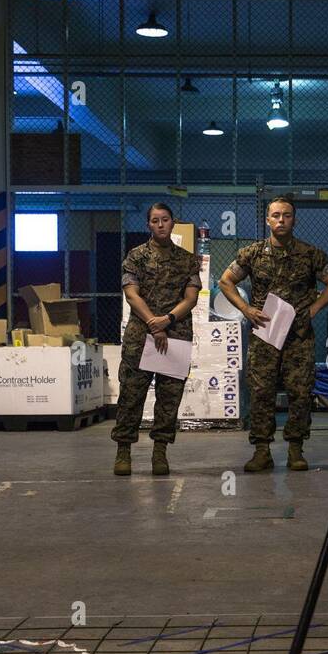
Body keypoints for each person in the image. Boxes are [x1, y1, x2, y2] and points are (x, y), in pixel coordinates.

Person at [218, 195, 328, 471]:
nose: (281, 220)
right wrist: (246, 309)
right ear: (267, 220)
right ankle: (262, 451)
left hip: (298, 336)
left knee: (300, 391)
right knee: (262, 392)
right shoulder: (252, 253)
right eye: (276, 215)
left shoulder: (311, 254)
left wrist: (313, 309)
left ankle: (296, 450)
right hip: (265, 334)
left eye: (286, 215)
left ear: (294, 219)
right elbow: (225, 281)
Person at [112, 202, 201, 477]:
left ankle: (160, 451)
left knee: (169, 397)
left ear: (173, 223)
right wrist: (153, 322)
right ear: (148, 224)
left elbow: (191, 297)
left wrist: (168, 320)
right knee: (131, 394)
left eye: (165, 220)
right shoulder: (135, 256)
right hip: (141, 338)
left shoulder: (188, 260)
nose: (160, 225)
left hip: (175, 336)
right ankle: (123, 451)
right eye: (155, 220)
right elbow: (131, 294)